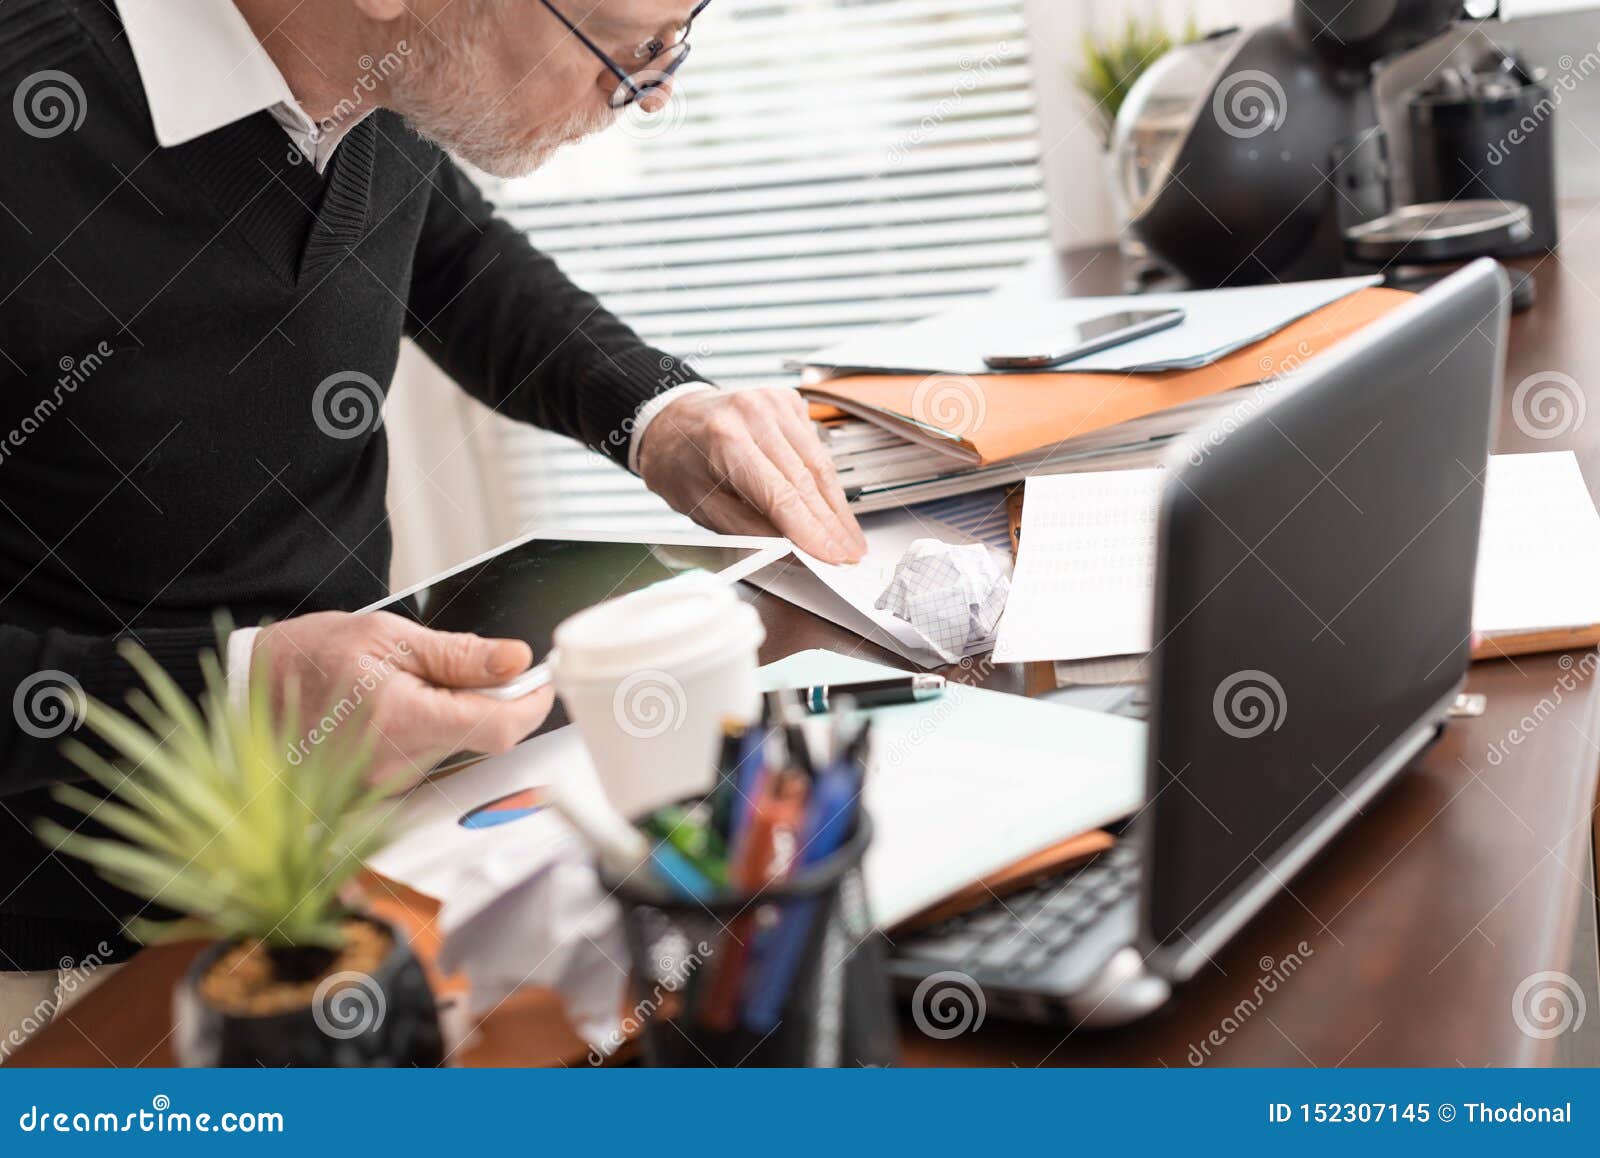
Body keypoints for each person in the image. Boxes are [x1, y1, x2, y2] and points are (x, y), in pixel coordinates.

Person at [0, 0, 865, 1040]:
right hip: (74, 966)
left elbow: (448, 257)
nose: (649, 93)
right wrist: (239, 699)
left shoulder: (381, 69)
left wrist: (659, 414)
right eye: (629, 47)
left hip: (362, 858)